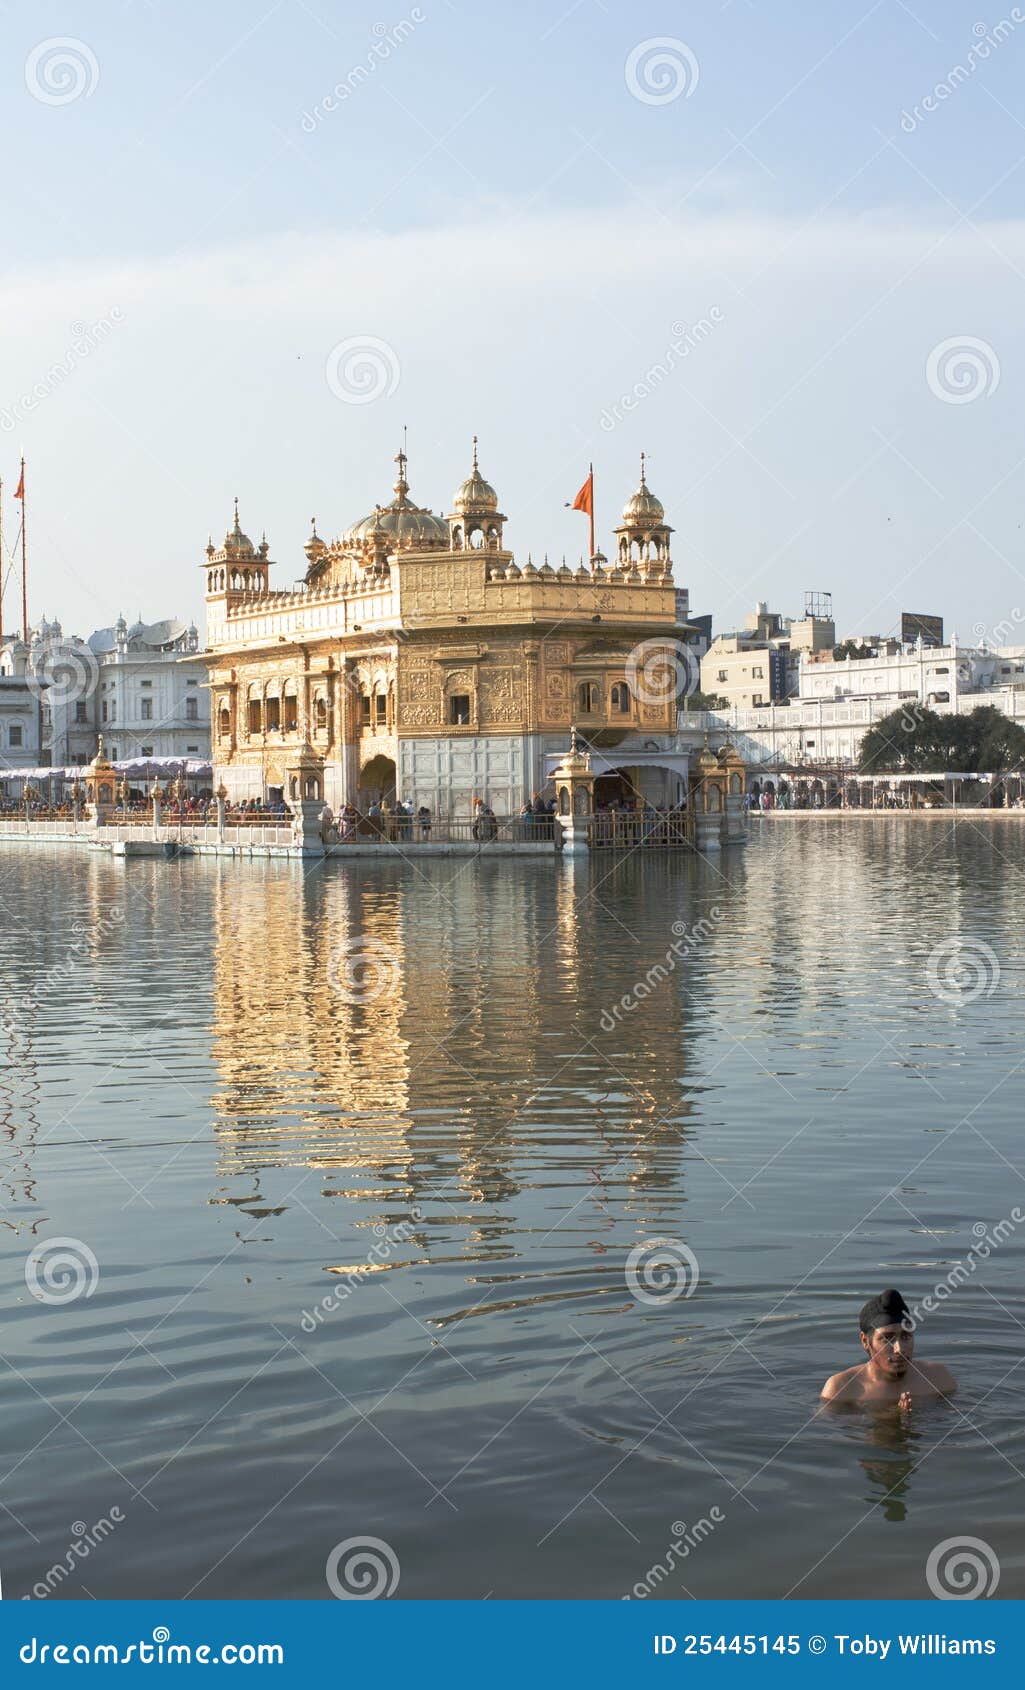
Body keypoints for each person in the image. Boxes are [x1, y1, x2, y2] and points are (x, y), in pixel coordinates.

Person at [820, 1288, 956, 1409]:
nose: (899, 1349)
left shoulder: (938, 1378)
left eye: (906, 1336)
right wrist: (893, 1421)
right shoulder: (842, 1389)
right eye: (887, 1339)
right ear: (865, 1341)